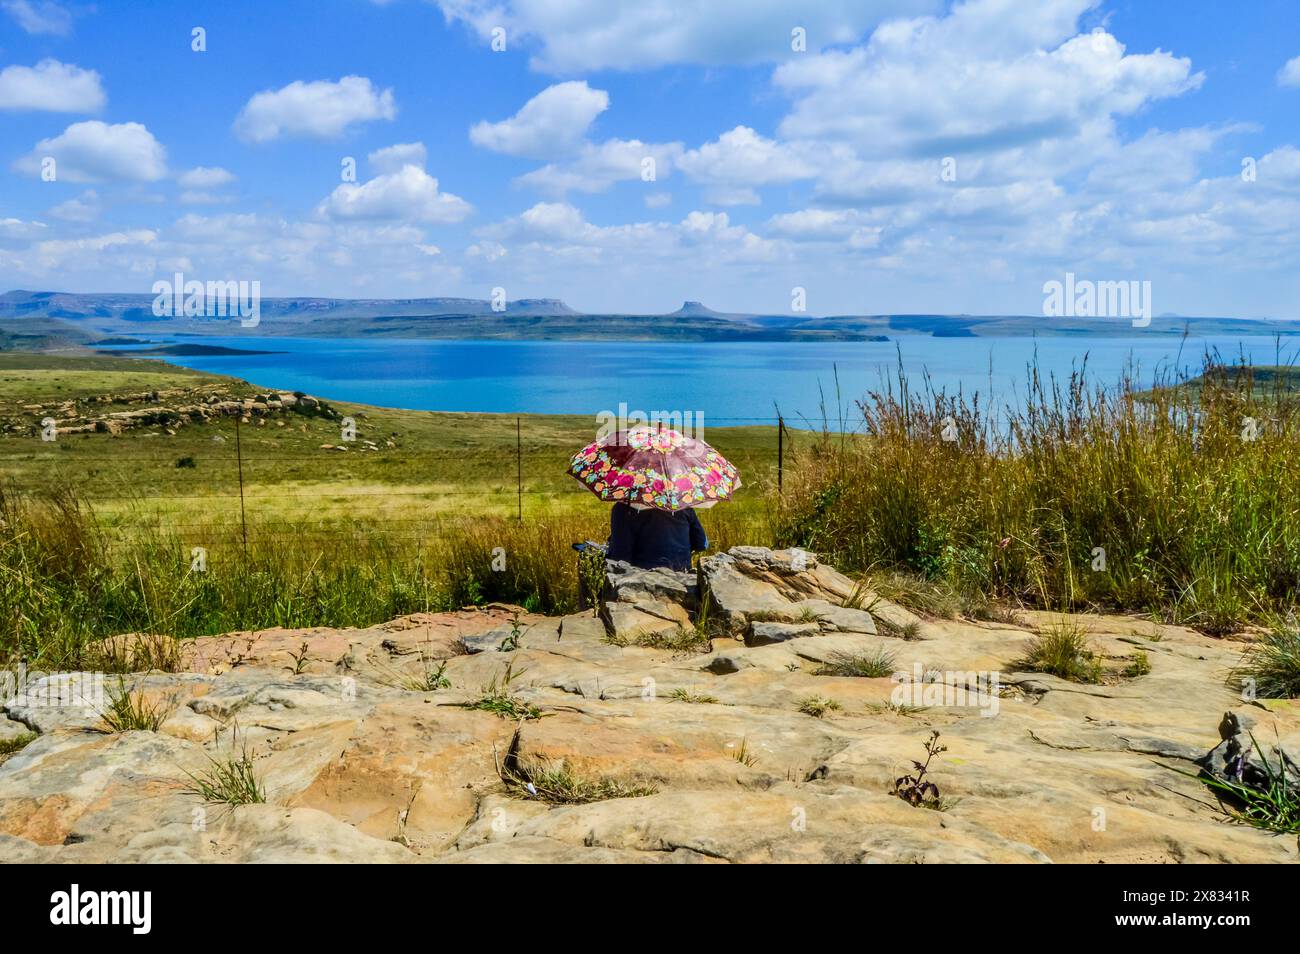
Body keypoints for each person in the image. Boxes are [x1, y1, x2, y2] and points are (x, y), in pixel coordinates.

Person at [605, 501, 707, 572]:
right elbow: (701, 544)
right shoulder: (683, 506)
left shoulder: (623, 508)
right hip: (682, 575)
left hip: (639, 579)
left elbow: (619, 555)